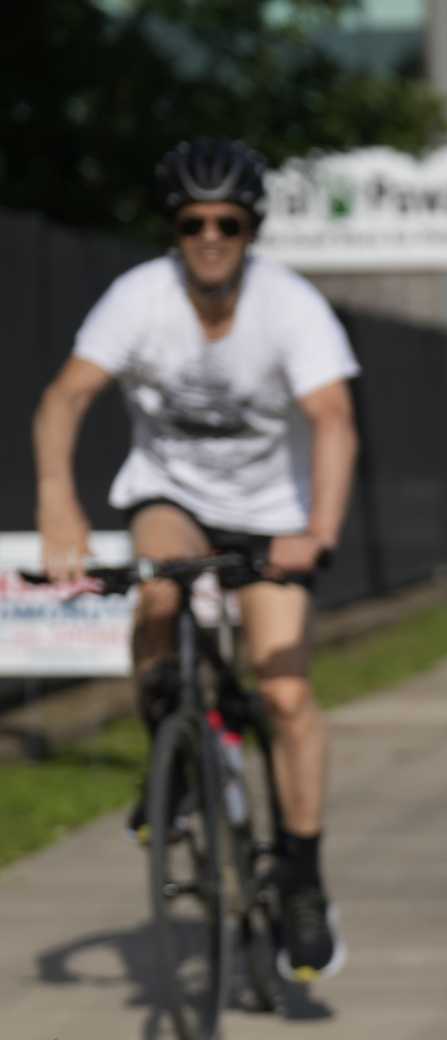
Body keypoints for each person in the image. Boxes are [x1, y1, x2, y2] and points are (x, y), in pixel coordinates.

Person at [33, 138, 360, 982]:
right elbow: (65, 398)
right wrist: (58, 505)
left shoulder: (290, 306)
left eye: (229, 222)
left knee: (285, 693)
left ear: (251, 228)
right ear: (175, 229)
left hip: (270, 517)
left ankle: (302, 873)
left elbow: (331, 417)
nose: (211, 237)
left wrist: (316, 530)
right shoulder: (138, 298)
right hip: (170, 497)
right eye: (193, 222)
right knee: (156, 600)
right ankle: (172, 758)